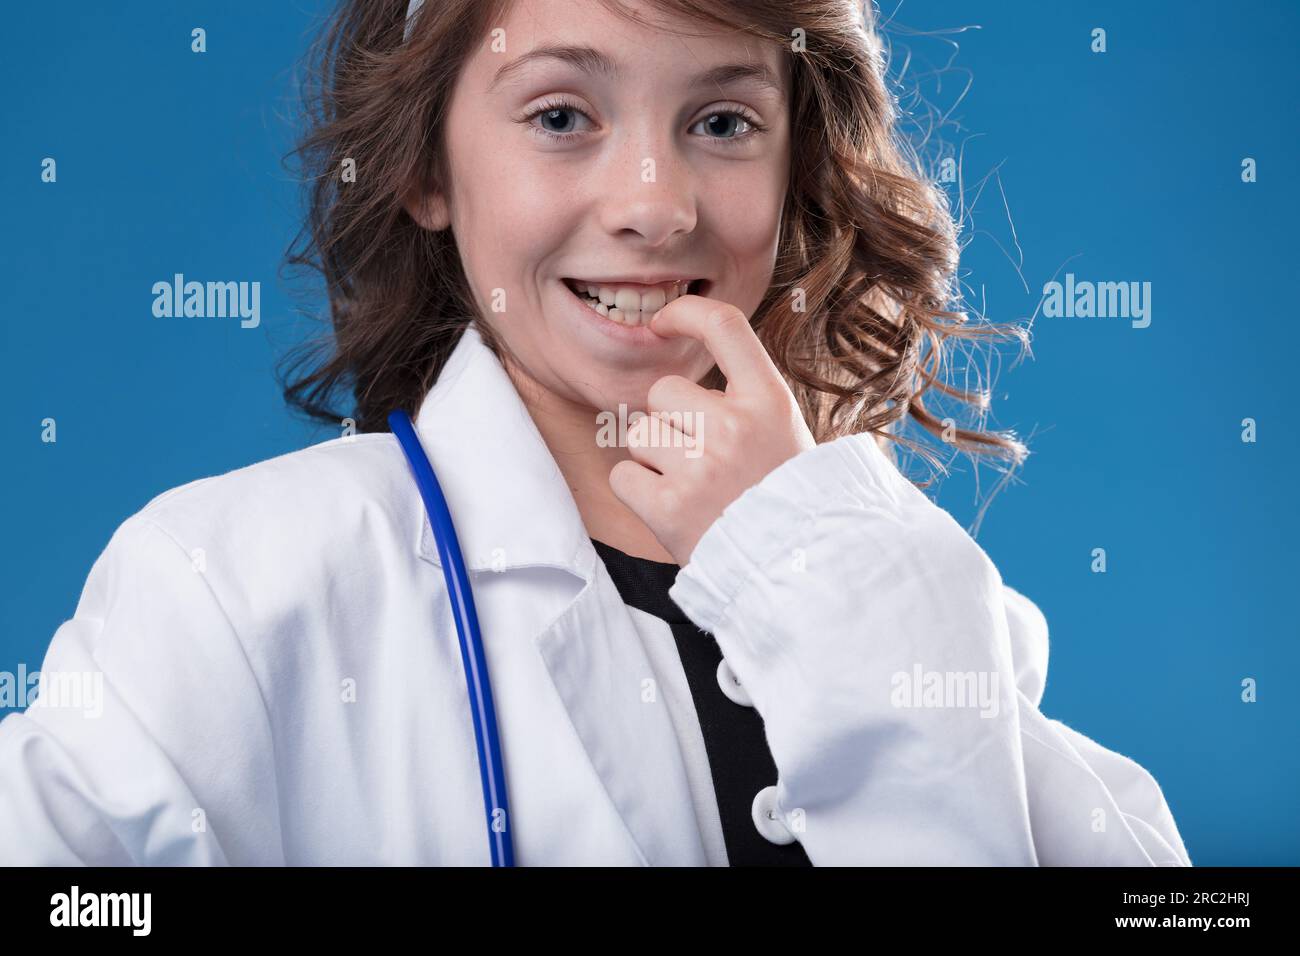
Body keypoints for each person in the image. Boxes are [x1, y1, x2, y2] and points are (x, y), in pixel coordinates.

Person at [0, 0, 1190, 866]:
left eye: (723, 122)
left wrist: (820, 558)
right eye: (562, 114)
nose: (653, 204)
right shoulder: (236, 582)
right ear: (425, 168)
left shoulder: (893, 581)